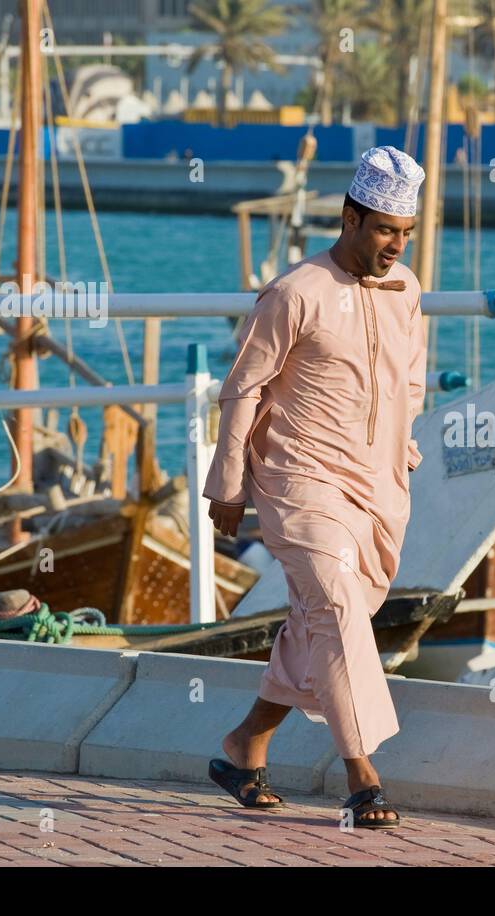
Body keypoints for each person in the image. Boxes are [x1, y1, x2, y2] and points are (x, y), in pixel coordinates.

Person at [201, 145, 427, 829]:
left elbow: (409, 378)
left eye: (405, 234)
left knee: (325, 616)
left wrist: (404, 444)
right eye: (384, 229)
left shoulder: (408, 291)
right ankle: (362, 776)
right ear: (350, 217)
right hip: (298, 478)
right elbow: (243, 388)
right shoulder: (295, 292)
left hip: (378, 482)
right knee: (332, 596)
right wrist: (228, 485)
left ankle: (246, 744)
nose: (395, 246)